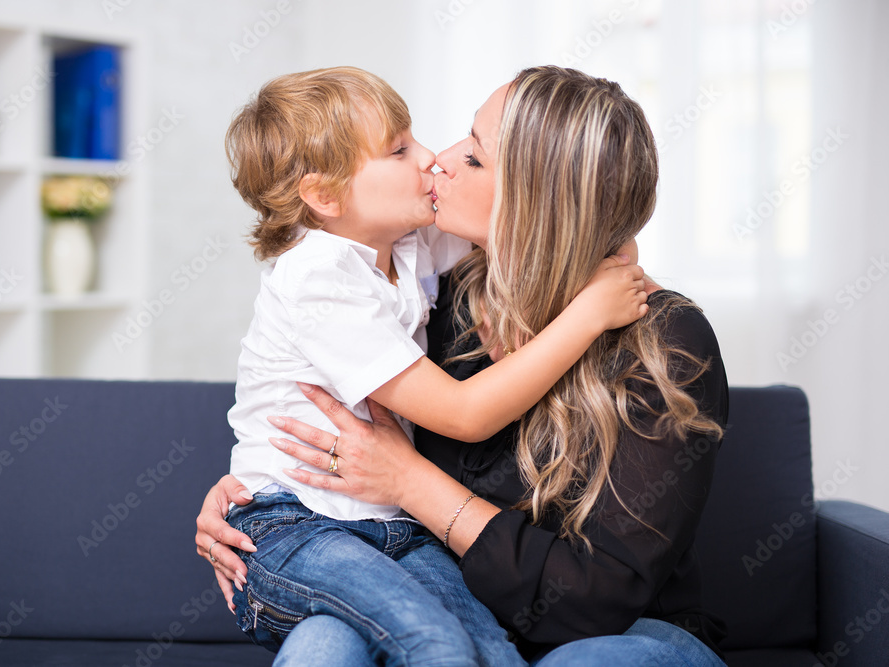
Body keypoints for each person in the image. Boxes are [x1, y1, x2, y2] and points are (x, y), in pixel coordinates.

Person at [198, 65, 729, 666]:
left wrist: (409, 482)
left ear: (541, 201)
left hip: (613, 634)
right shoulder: (439, 292)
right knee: (323, 645)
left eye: (474, 158)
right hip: (435, 593)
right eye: (410, 148)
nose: (438, 160)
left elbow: (598, 599)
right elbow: (344, 395)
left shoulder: (662, 344)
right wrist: (260, 494)